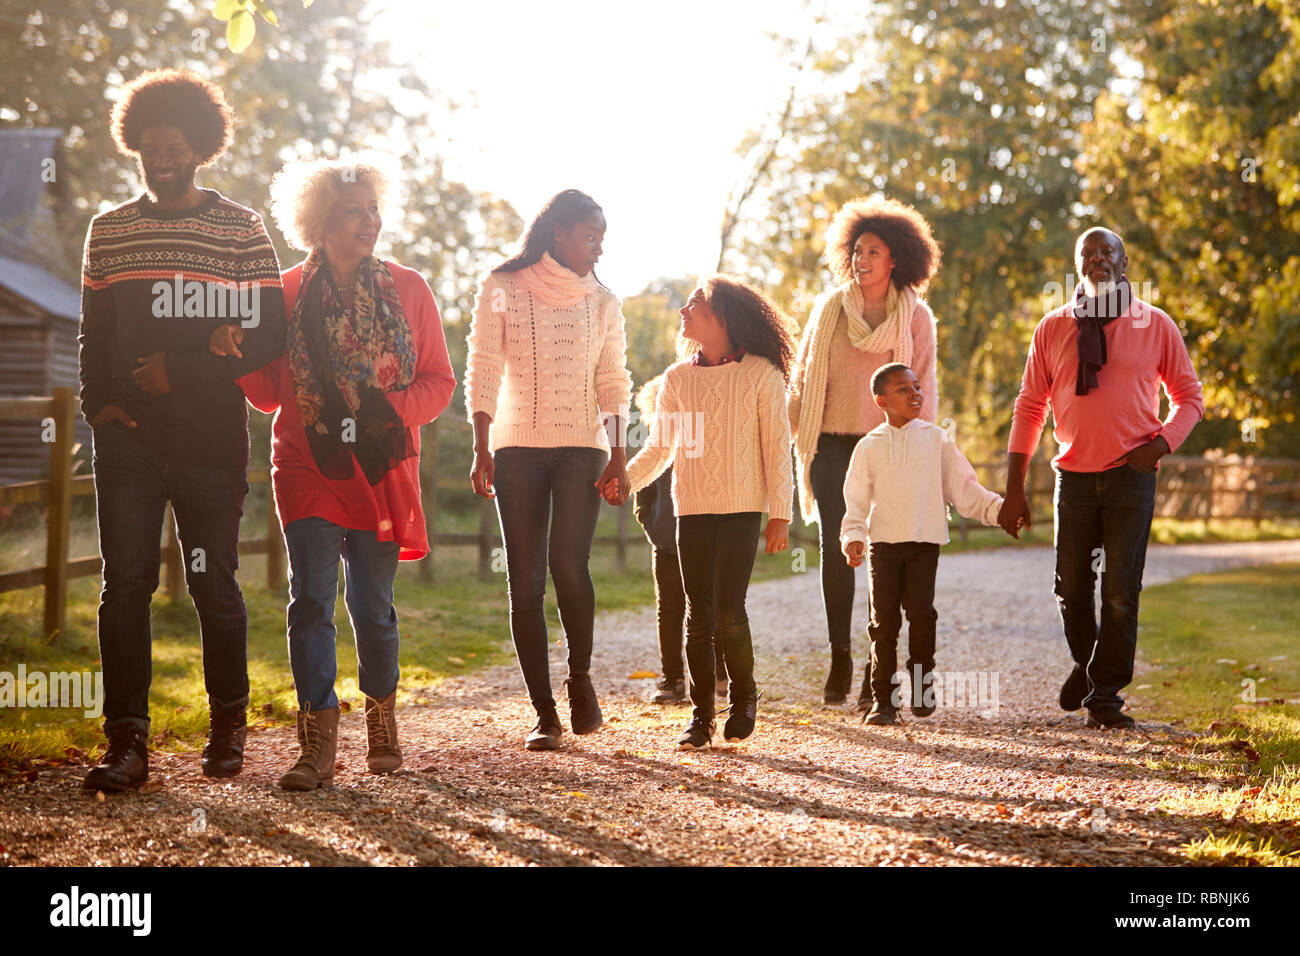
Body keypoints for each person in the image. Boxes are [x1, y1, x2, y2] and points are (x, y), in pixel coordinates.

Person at [211, 153, 455, 789]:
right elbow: (267, 393)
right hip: (306, 465)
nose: (369, 221)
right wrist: (231, 351)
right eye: (354, 212)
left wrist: (385, 413)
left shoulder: (409, 288)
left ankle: (381, 722)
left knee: (373, 608)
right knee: (312, 599)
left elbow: (439, 383)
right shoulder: (285, 293)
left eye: (373, 209)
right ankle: (316, 740)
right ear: (320, 221)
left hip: (380, 469)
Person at [79, 69, 287, 791]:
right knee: (124, 586)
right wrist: (95, 405)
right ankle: (127, 744)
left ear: (200, 147)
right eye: (150, 147)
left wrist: (186, 366)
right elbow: (92, 335)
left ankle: (228, 721)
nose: (161, 157)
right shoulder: (109, 231)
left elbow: (268, 335)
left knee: (214, 586)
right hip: (129, 443)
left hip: (208, 440)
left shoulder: (240, 228)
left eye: (175, 146)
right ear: (134, 146)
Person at [998, 227, 1203, 729]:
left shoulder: (1155, 325)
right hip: (1074, 478)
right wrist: (1015, 488)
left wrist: (1159, 445)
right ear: (1078, 265)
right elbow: (1029, 408)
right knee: (1070, 588)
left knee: (1119, 588)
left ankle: (1105, 695)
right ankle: (1090, 668)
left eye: (1106, 251)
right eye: (1086, 252)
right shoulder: (1052, 328)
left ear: (1123, 262)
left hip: (1130, 479)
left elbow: (1190, 398)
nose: (1096, 259)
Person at [465, 189, 633, 751]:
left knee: (570, 565)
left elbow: (612, 380)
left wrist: (618, 455)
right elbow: (483, 364)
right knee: (525, 580)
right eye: (592, 236)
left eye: (602, 238)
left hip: (581, 448)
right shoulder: (502, 287)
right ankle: (544, 713)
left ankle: (580, 682)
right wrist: (481, 444)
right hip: (516, 450)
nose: (599, 248)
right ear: (559, 232)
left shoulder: (604, 302)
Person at [614, 276, 795, 750]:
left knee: (730, 611)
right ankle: (701, 717)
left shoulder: (761, 374)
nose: (684, 311)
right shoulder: (676, 379)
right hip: (690, 508)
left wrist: (781, 513)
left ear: (723, 317)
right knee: (698, 614)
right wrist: (624, 478)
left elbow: (777, 449)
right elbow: (660, 448)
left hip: (742, 509)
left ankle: (744, 696)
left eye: (694, 304)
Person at [788, 197, 941, 709]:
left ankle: (879, 668)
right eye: (856, 250)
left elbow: (926, 389)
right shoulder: (830, 309)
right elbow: (805, 377)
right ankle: (840, 658)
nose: (862, 260)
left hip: (887, 446)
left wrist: (923, 450)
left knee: (886, 556)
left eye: (872, 251)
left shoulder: (916, 318)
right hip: (832, 446)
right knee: (841, 549)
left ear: (895, 258)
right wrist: (794, 429)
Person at [840, 363, 1006, 725]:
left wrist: (999, 511)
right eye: (903, 389)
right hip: (883, 546)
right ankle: (883, 701)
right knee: (882, 623)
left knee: (921, 615)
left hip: (924, 542)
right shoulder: (868, 447)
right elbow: (855, 498)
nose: (915, 393)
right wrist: (854, 536)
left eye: (917, 387)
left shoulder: (936, 439)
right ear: (881, 400)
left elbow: (964, 489)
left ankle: (921, 687)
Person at [630, 375, 728, 705]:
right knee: (668, 611)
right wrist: (654, 528)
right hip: (667, 544)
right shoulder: (654, 452)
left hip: (705, 542)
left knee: (710, 607)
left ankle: (719, 673)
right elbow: (642, 498)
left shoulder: (705, 444)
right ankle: (672, 679)